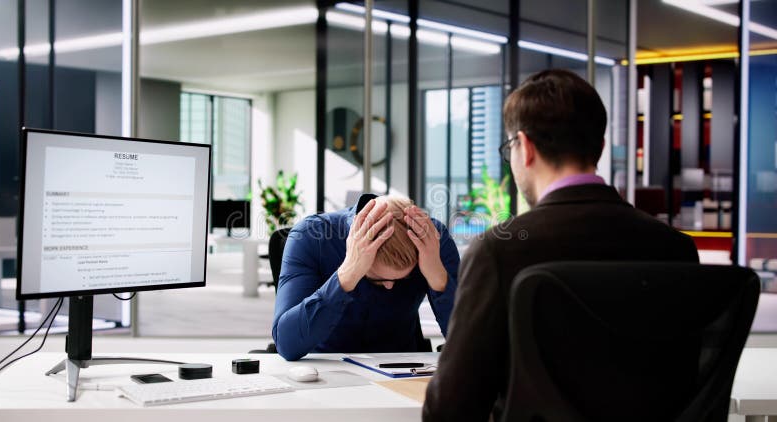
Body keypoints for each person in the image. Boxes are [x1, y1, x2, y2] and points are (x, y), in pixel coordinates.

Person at [423, 69, 699, 421]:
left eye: (509, 149)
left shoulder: (498, 252)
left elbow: (449, 410)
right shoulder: (676, 249)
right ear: (600, 148)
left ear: (525, 148)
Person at [272, 194, 459, 361]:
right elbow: (287, 344)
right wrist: (347, 274)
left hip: (402, 366)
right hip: (326, 367)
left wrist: (438, 278)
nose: (389, 287)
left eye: (403, 278)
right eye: (378, 279)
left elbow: (470, 342)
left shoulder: (432, 240)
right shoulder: (310, 236)